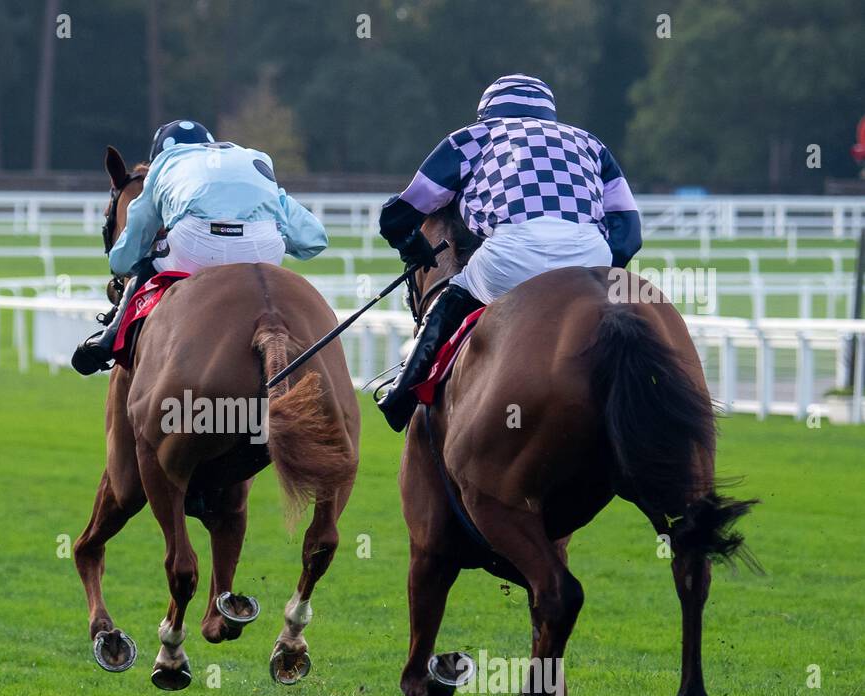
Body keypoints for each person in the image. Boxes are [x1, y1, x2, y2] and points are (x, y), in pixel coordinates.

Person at [374, 74, 643, 431]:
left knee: (456, 290)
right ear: (550, 115)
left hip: (514, 253)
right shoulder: (590, 143)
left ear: (487, 112)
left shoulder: (474, 137)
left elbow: (403, 212)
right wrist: (600, 275)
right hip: (590, 254)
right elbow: (629, 230)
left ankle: (402, 394)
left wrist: (413, 247)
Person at [71, 119, 329, 375]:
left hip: (197, 248)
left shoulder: (164, 164)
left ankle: (108, 339)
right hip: (264, 249)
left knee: (145, 262)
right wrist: (262, 234)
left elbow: (130, 249)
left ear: (158, 156)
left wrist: (122, 260)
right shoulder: (254, 159)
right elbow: (315, 240)